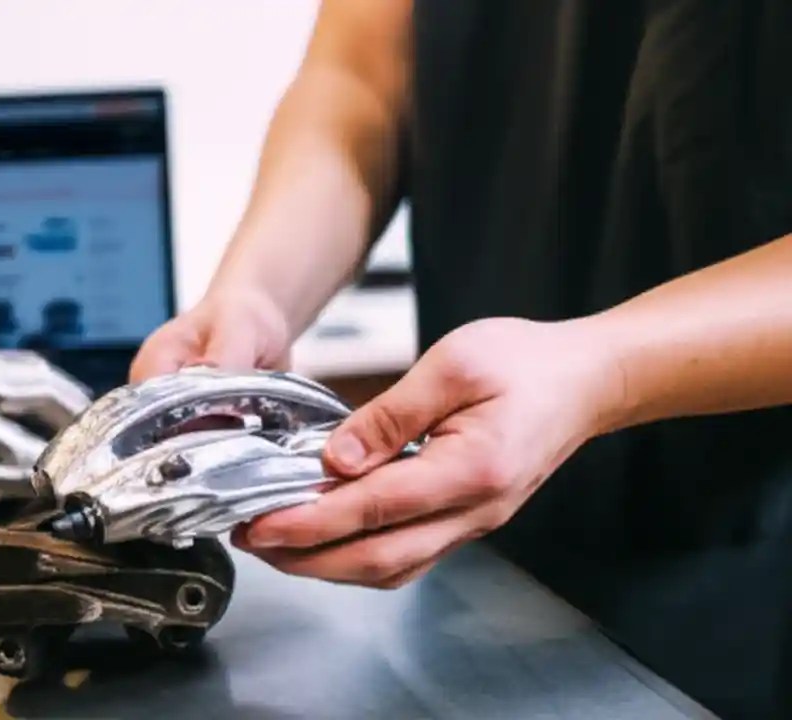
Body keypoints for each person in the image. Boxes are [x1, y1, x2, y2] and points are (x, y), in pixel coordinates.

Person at [131, 2, 791, 717]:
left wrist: (610, 369)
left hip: (735, 571)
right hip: (471, 573)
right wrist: (258, 292)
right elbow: (363, 78)